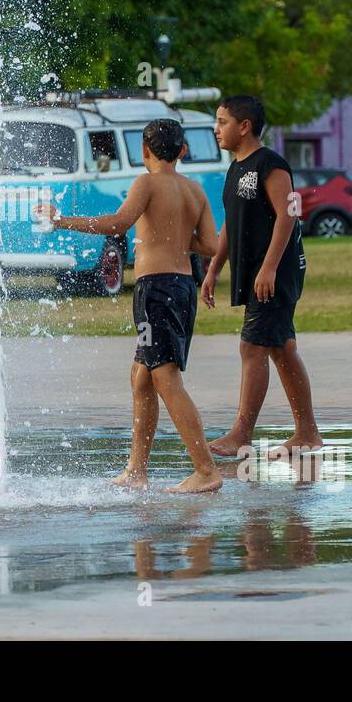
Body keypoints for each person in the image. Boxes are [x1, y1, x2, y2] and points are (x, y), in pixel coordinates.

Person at [36, 118, 221, 493]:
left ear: (145, 150)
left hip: (156, 291)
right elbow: (211, 245)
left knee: (164, 377)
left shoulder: (147, 183)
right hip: (182, 286)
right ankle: (137, 470)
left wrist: (62, 221)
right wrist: (174, 239)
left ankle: (206, 470)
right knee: (142, 376)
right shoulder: (194, 190)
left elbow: (119, 224)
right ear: (183, 150)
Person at [201, 95, 322, 460]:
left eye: (222, 122)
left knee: (252, 346)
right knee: (280, 349)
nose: (216, 128)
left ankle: (242, 434)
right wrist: (214, 268)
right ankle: (307, 434)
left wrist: (269, 266)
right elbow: (230, 226)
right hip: (256, 270)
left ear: (244, 126)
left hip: (277, 270)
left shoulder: (270, 163)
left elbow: (288, 216)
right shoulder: (235, 168)